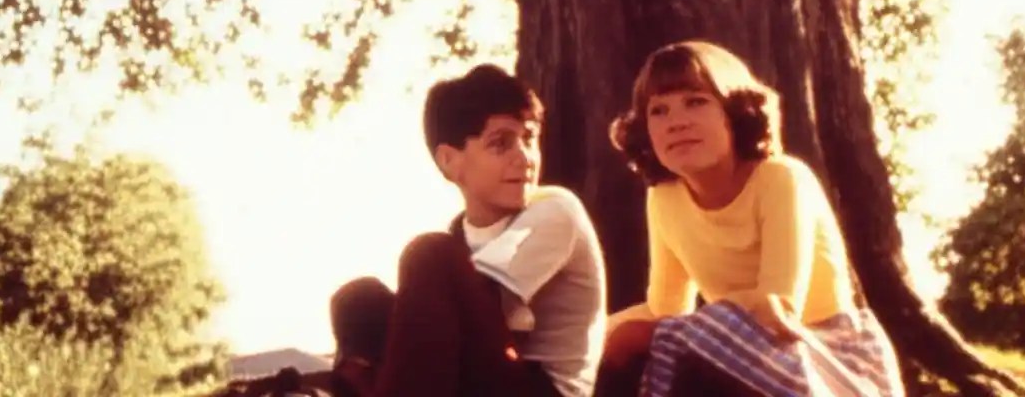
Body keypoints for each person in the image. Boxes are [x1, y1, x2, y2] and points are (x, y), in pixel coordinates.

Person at [595, 41, 903, 397]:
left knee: (677, 339)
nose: (676, 122)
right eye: (659, 111)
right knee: (615, 344)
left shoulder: (780, 178)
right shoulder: (664, 197)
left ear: (735, 112)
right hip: (734, 343)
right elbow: (665, 308)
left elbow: (779, 306)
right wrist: (593, 334)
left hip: (826, 350)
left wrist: (648, 333)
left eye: (696, 102)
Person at [327, 64, 608, 397]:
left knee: (428, 252)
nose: (524, 157)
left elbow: (492, 325)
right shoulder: (459, 237)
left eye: (529, 139)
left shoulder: (554, 209)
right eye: (501, 144)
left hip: (542, 388)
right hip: (483, 377)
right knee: (360, 301)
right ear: (449, 160)